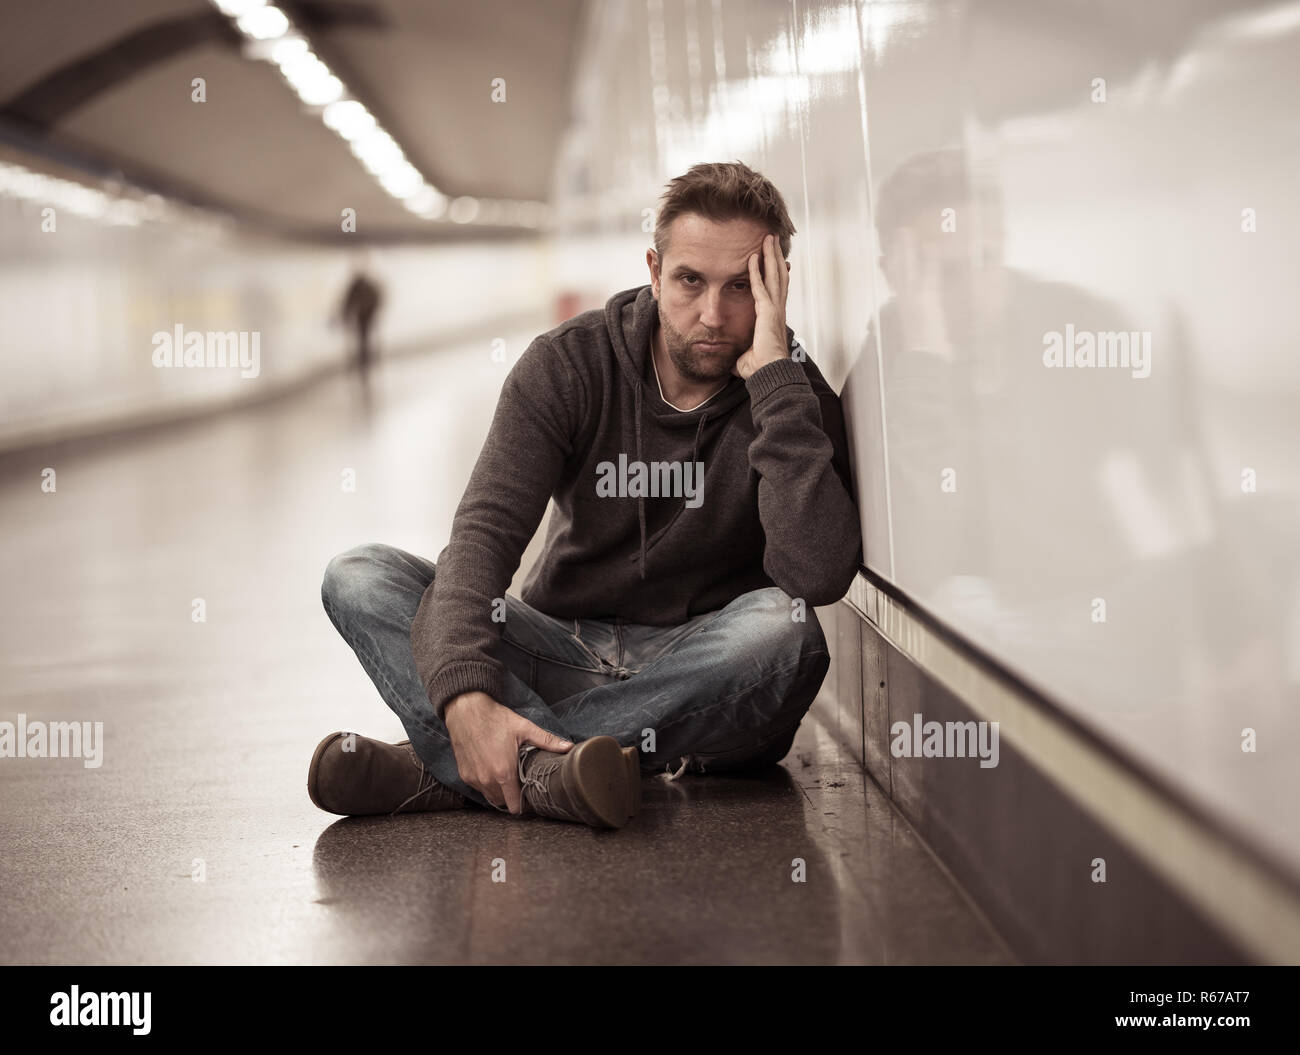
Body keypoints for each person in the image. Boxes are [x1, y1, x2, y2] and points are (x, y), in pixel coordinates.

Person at [311, 161, 862, 830]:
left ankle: (444, 771)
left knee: (789, 630)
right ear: (655, 271)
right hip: (564, 648)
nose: (712, 314)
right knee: (360, 575)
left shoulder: (791, 396)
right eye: (690, 280)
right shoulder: (570, 364)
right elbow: (483, 536)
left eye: (741, 287)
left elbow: (817, 574)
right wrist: (463, 698)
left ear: (776, 288)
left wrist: (775, 377)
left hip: (707, 667)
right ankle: (547, 771)